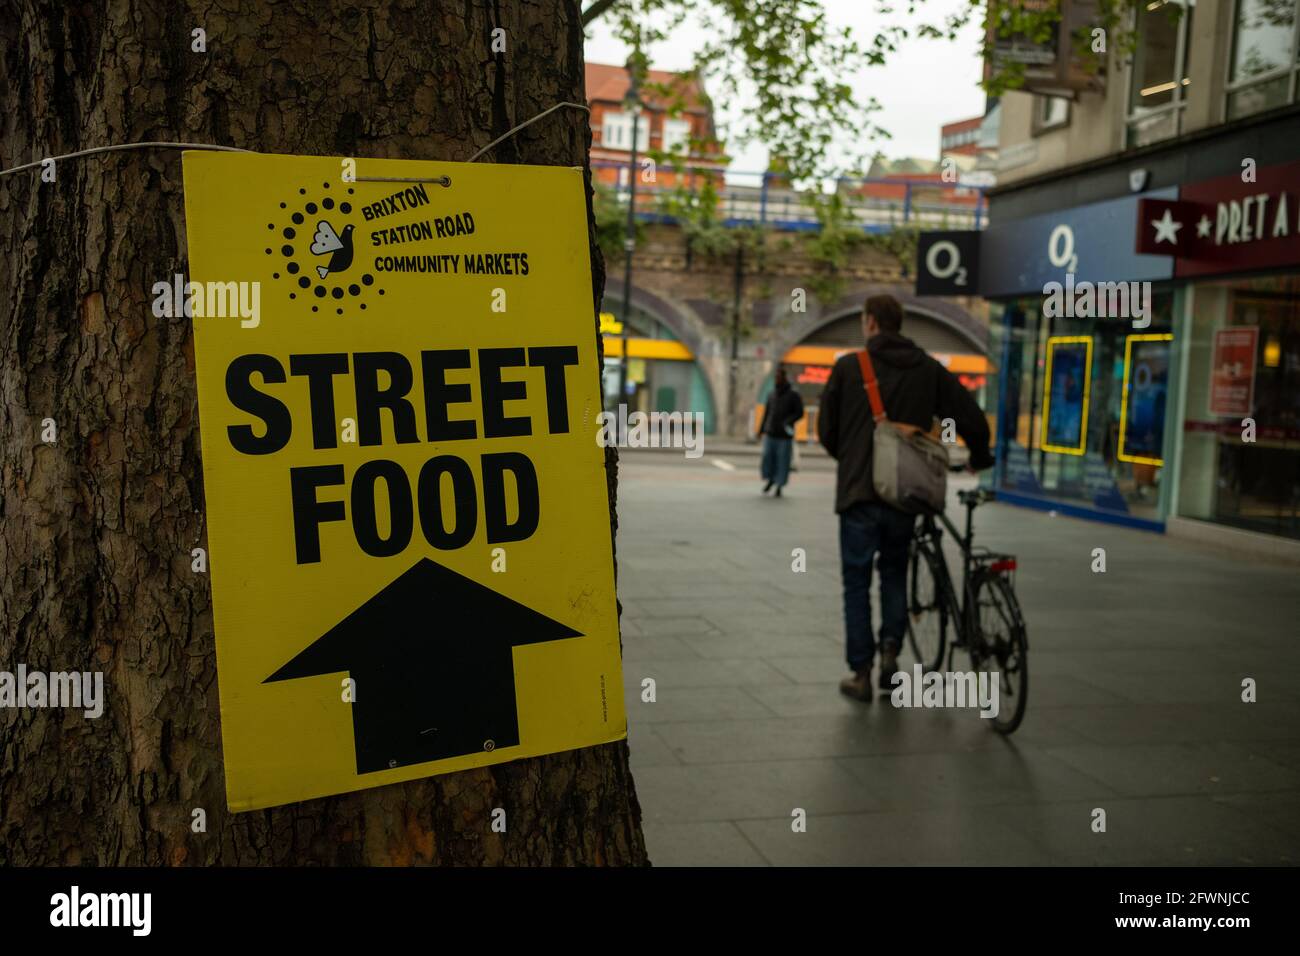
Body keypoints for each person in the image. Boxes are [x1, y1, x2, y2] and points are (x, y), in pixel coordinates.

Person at [817, 295, 993, 702]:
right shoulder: (928, 369)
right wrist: (980, 456)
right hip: (905, 496)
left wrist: (854, 460)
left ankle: (860, 673)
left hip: (859, 495)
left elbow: (828, 429)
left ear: (871, 323)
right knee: (894, 573)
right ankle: (891, 655)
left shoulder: (848, 367)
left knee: (856, 583)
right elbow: (969, 415)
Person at [757, 367, 804, 497]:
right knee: (768, 458)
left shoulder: (793, 395)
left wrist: (788, 422)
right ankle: (770, 480)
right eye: (775, 377)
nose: (776, 380)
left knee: (782, 461)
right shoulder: (772, 394)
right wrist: (761, 430)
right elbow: (767, 413)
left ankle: (779, 485)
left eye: (778, 377)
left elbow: (799, 413)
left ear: (784, 378)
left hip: (784, 436)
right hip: (771, 433)